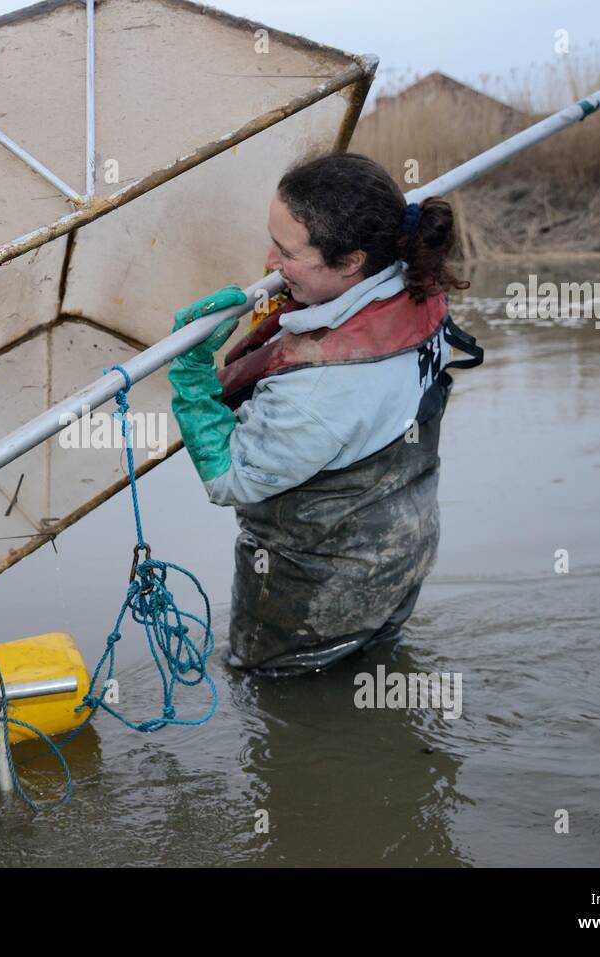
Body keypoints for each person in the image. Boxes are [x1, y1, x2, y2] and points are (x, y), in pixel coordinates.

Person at [167, 152, 483, 677]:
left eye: (287, 252)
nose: (269, 262)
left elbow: (232, 480)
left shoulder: (316, 391)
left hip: (313, 593)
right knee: (379, 679)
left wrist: (191, 374)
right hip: (404, 551)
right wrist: (290, 296)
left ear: (351, 260)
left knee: (278, 706)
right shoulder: (415, 281)